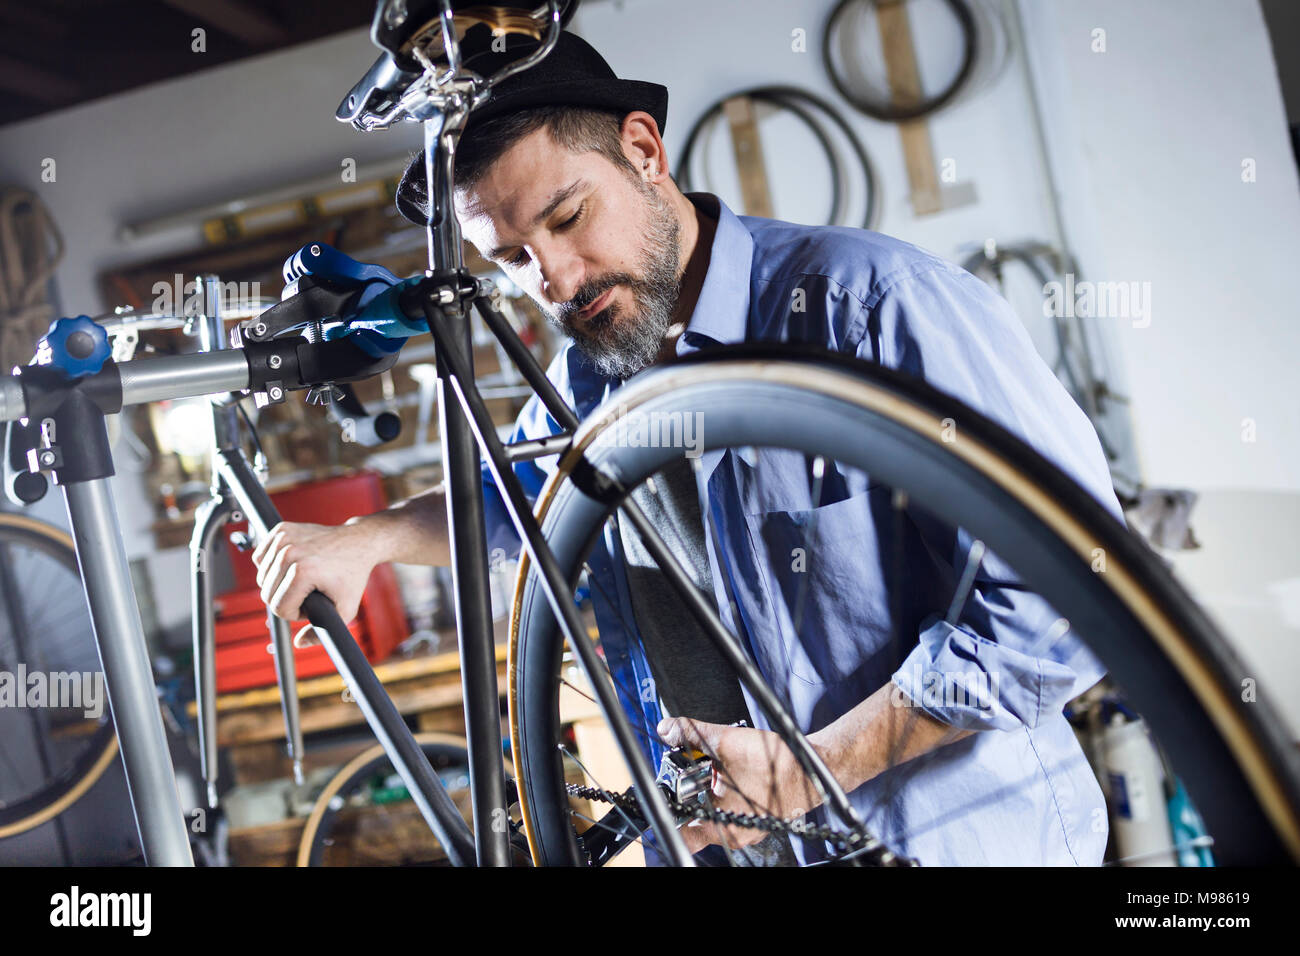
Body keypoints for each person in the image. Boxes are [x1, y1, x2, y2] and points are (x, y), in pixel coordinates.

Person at [252, 31, 1120, 865]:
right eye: (513, 257)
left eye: (568, 217)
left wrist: (809, 769)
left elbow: (1070, 600)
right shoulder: (592, 374)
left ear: (643, 150)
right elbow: (515, 504)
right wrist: (368, 538)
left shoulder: (874, 311)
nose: (553, 282)